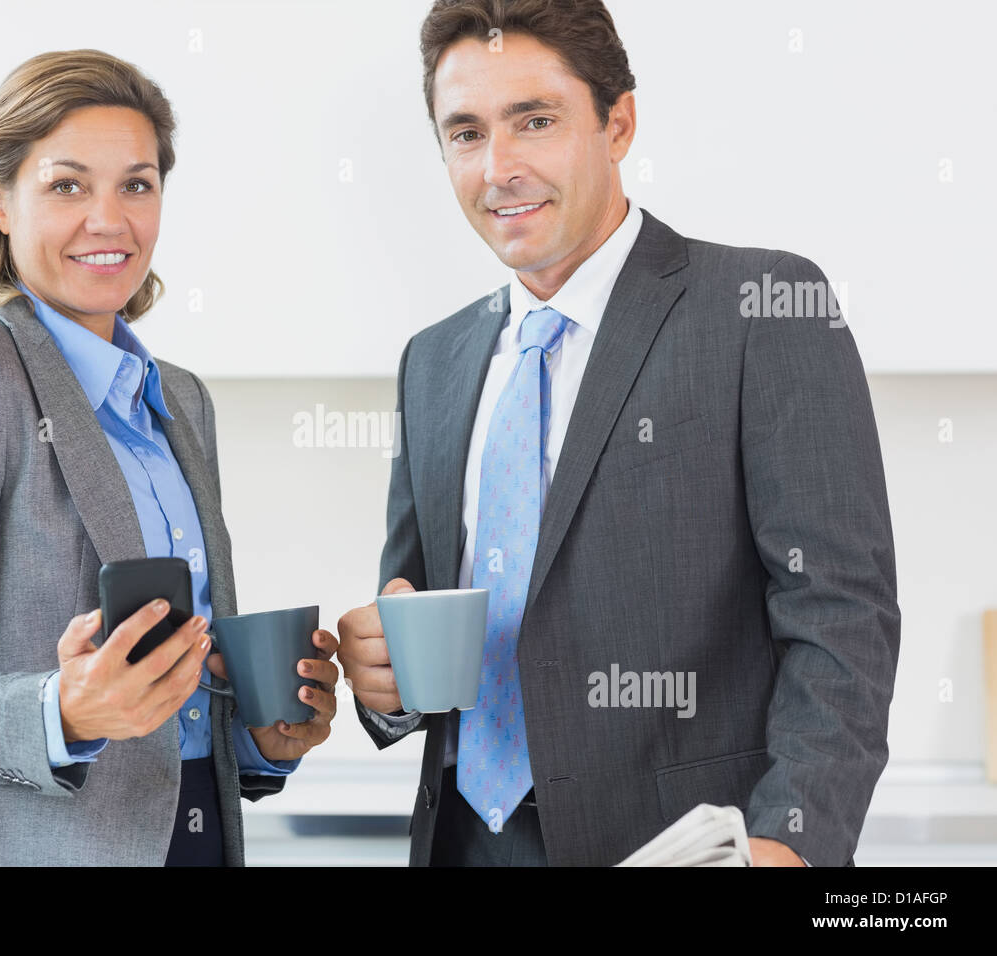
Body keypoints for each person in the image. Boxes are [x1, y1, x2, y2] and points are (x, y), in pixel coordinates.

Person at [337, 0, 900, 867]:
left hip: (689, 847)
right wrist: (385, 686)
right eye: (465, 133)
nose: (499, 168)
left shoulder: (761, 310)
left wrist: (786, 846)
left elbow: (842, 623)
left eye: (535, 120)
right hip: (464, 845)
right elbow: (414, 610)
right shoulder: (434, 361)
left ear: (618, 123)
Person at [0, 49, 338, 866]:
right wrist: (65, 712)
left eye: (137, 183)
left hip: (198, 836)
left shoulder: (180, 400)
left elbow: (183, 693)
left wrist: (265, 733)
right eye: (67, 185)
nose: (109, 220)